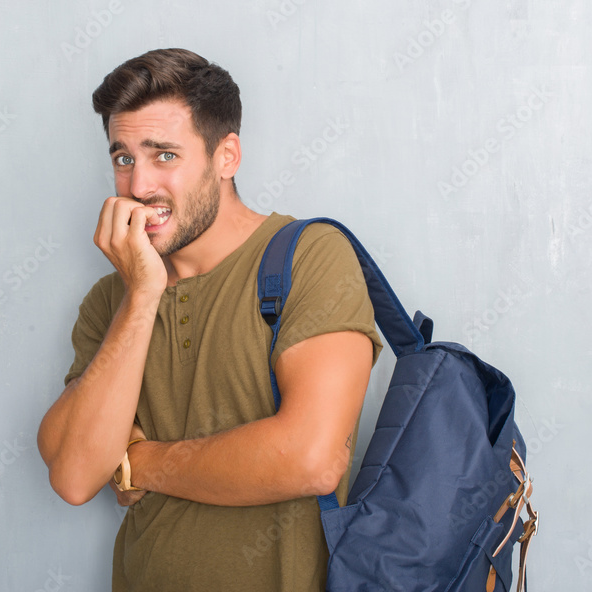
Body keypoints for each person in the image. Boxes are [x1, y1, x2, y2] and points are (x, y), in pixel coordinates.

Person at [36, 48, 382, 592]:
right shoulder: (111, 298)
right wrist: (141, 294)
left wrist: (138, 463)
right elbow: (75, 476)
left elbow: (312, 458)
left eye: (164, 155)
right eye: (123, 157)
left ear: (227, 157)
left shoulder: (309, 256)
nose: (139, 185)